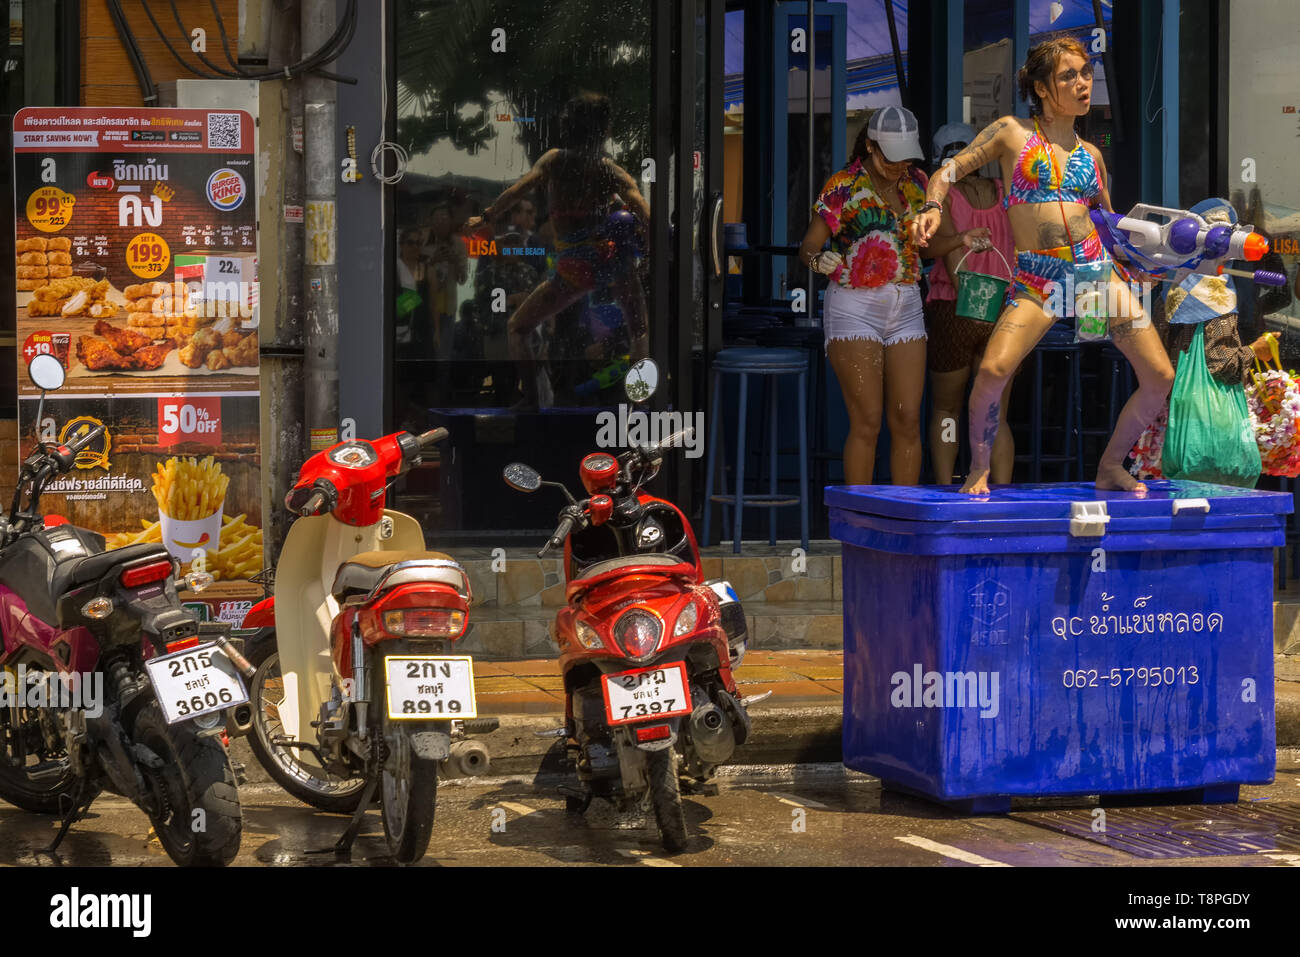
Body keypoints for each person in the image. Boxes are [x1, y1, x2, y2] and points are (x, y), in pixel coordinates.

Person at [915, 37, 1175, 495]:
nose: (1082, 83)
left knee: (1159, 376)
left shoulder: (1092, 156)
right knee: (993, 372)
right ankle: (978, 468)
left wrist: (1138, 265)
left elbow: (1107, 226)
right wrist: (933, 205)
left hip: (1095, 275)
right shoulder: (1011, 134)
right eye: (1068, 75)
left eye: (1086, 73)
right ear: (1040, 87)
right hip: (1040, 277)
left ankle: (1111, 466)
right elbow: (946, 172)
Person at [796, 106, 988, 485]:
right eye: (891, 156)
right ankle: (858, 523)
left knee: (907, 420)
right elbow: (807, 246)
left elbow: (927, 249)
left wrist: (960, 239)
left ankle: (904, 525)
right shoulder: (842, 186)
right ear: (870, 146)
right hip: (854, 306)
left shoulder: (918, 184)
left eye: (906, 157)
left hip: (906, 305)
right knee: (867, 421)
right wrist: (819, 261)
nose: (900, 165)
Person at [465, 92, 649, 409]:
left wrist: (486, 216)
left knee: (517, 328)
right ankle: (640, 406)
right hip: (613, 259)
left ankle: (533, 401)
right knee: (640, 332)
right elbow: (644, 212)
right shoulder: (611, 171)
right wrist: (651, 251)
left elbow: (518, 189)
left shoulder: (555, 161)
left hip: (576, 266)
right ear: (604, 131)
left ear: (568, 127)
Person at [1131, 200, 1274, 480]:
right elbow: (1222, 364)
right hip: (1209, 439)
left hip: (1174, 425)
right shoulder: (1214, 298)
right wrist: (1255, 351)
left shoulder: (1173, 293)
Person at [922, 122, 1018, 485]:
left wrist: (967, 292)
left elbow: (938, 249)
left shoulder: (943, 197)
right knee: (995, 413)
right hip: (1003, 309)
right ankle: (1003, 496)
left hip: (955, 308)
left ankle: (947, 488)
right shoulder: (1004, 191)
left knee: (948, 411)